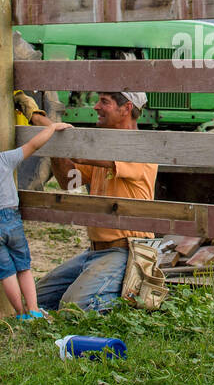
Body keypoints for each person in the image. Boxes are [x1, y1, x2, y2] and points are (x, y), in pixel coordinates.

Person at [16, 89, 157, 312]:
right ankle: (111, 290)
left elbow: (78, 152)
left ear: (127, 108)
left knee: (74, 308)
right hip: (95, 252)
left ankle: (130, 301)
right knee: (33, 300)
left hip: (126, 252)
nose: (96, 107)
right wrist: (55, 148)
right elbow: (69, 180)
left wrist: (37, 117)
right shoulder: (103, 146)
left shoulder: (139, 147)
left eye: (104, 102)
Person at [0, 113, 72, 320]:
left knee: (6, 273)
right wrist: (52, 128)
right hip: (13, 222)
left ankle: (20, 313)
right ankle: (34, 310)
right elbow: (34, 145)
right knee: (23, 267)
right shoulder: (6, 160)